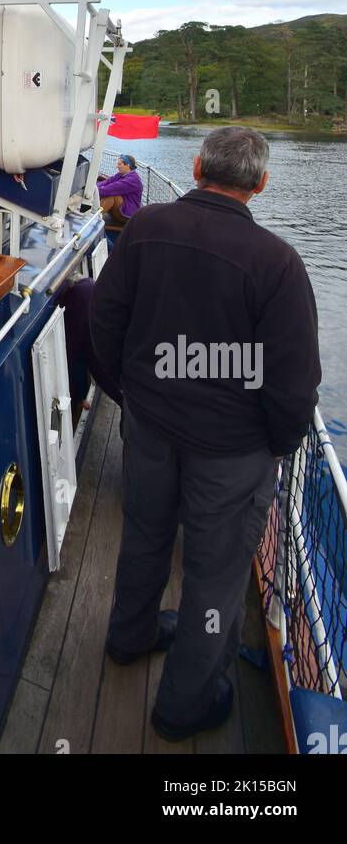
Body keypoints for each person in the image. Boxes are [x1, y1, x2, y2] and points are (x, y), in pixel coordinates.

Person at [90, 127, 320, 741]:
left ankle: (129, 636)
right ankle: (183, 706)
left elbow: (104, 318)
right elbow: (293, 386)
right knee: (216, 576)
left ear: (195, 168)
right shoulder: (277, 264)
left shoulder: (144, 230)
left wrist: (126, 392)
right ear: (261, 184)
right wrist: (276, 441)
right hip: (231, 451)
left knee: (144, 536)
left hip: (150, 426)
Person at [96, 154, 143, 227]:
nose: (117, 166)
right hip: (120, 210)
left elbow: (109, 189)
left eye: (119, 164)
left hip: (128, 215)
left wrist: (92, 191)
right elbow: (107, 182)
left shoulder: (132, 180)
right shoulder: (120, 175)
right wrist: (92, 187)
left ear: (127, 165)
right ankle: (94, 213)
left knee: (112, 196)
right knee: (105, 192)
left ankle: (93, 218)